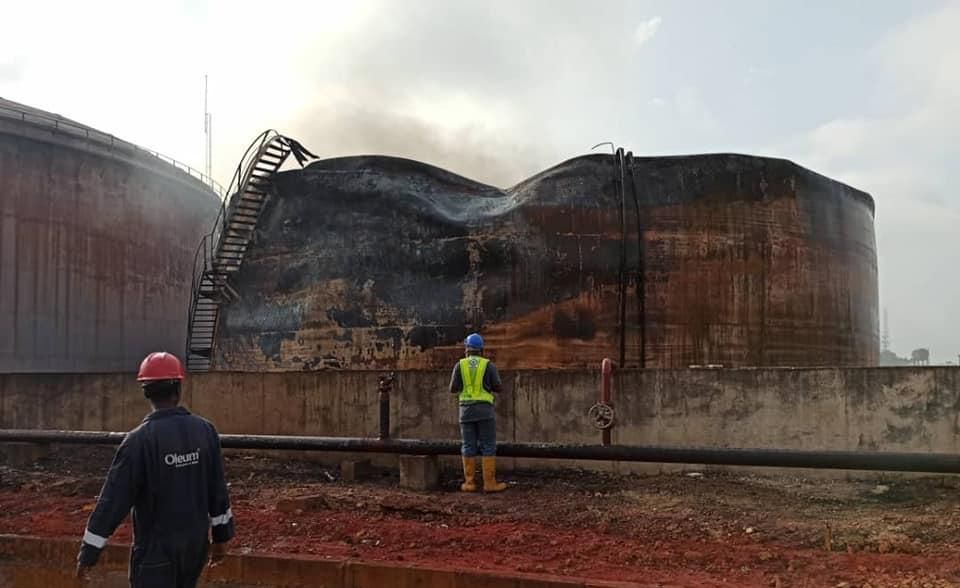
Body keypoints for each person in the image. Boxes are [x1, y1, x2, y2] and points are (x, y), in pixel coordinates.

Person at [76, 351, 234, 587]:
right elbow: (217, 491)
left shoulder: (138, 441)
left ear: (146, 392)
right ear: (178, 388)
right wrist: (221, 538)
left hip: (155, 554)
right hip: (195, 549)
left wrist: (88, 553)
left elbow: (112, 502)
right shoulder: (205, 431)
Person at [449, 333, 508, 493]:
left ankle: (469, 483)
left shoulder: (460, 365)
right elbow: (498, 387)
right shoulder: (488, 365)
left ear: (466, 350)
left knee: (468, 445)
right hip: (484, 411)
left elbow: (453, 388)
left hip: (466, 411)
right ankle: (489, 483)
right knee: (488, 445)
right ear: (481, 350)